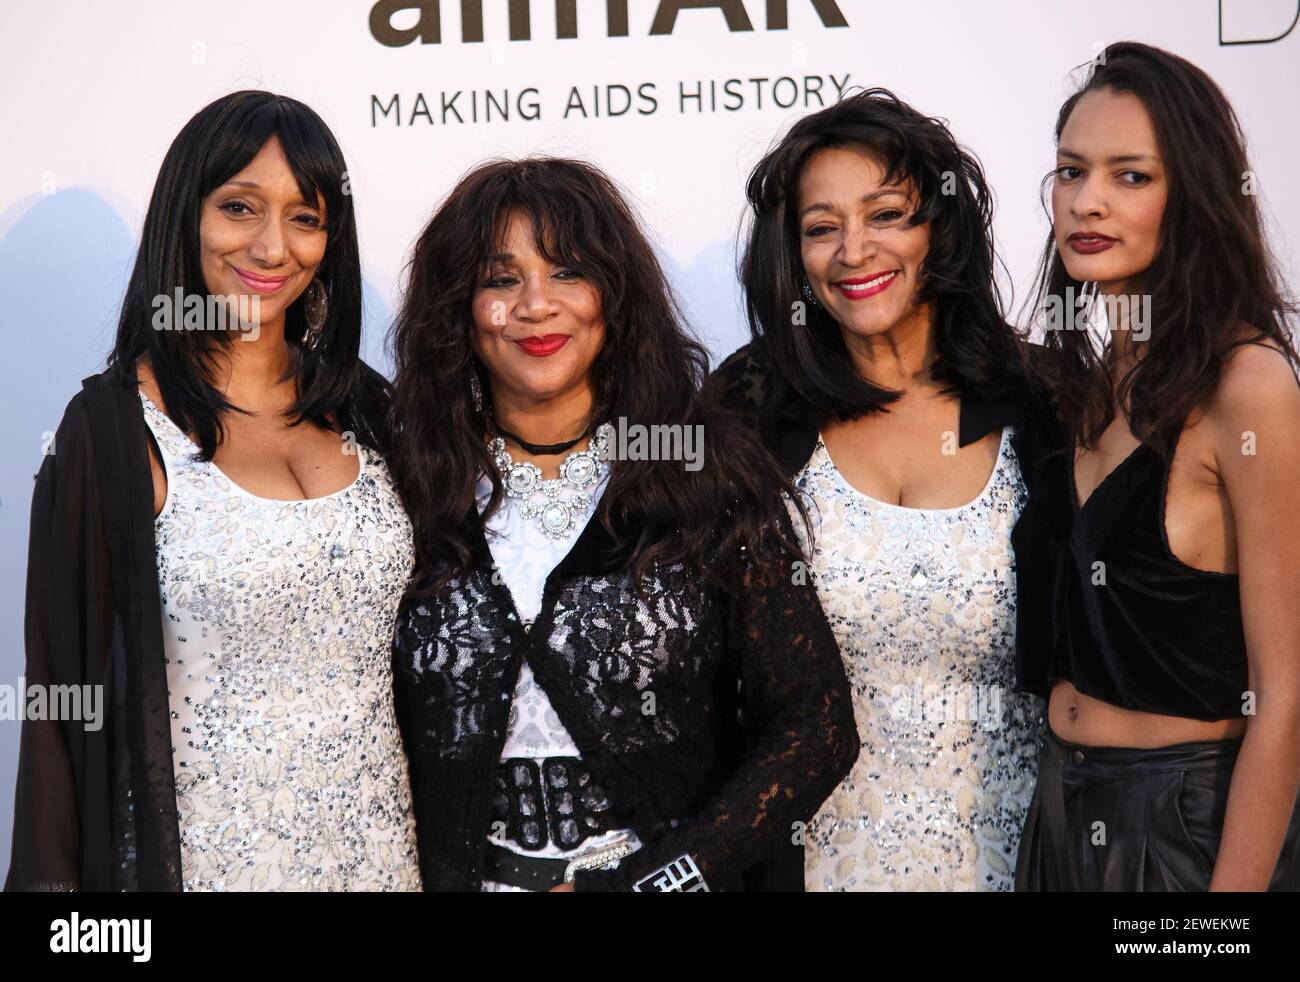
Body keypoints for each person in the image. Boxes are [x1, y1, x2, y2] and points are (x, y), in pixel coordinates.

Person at [386, 156, 859, 892]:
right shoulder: (406, 490)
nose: (537, 305)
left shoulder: (705, 477)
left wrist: (653, 882)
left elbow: (815, 726)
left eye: (570, 272)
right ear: (460, 307)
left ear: (615, 296)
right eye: (501, 279)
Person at [6, 91, 422, 891]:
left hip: (382, 860)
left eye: (306, 217)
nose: (273, 246)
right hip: (196, 869)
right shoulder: (109, 433)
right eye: (239, 207)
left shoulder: (376, 412)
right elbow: (60, 709)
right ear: (183, 218)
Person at [709, 89, 1052, 890]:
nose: (854, 251)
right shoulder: (748, 412)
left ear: (941, 225)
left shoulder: (1047, 403)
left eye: (886, 214)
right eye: (821, 228)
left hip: (1025, 858)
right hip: (812, 864)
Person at [1013, 42, 1300, 891]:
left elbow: (1286, 694)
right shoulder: (1089, 382)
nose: (1087, 201)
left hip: (1182, 831)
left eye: (1130, 176)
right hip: (1058, 817)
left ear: (1196, 195)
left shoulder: (1247, 386)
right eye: (1071, 171)